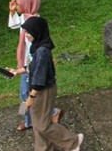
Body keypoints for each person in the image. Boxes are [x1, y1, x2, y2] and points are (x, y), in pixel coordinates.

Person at [8, 17, 84, 151]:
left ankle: (73, 142)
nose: (26, 35)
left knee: (43, 126)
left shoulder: (42, 51)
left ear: (37, 31)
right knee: (38, 124)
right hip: (39, 90)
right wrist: (17, 71)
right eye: (26, 32)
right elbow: (33, 67)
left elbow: (39, 78)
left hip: (43, 91)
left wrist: (31, 97)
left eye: (29, 32)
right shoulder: (38, 47)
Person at [8, 0, 62, 131]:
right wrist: (12, 11)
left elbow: (36, 53)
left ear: (27, 5)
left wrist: (26, 67)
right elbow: (13, 25)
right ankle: (31, 120)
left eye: (19, 4)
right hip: (28, 64)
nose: (26, 34)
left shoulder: (34, 24)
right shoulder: (26, 18)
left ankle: (44, 116)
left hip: (31, 63)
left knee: (26, 94)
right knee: (25, 93)